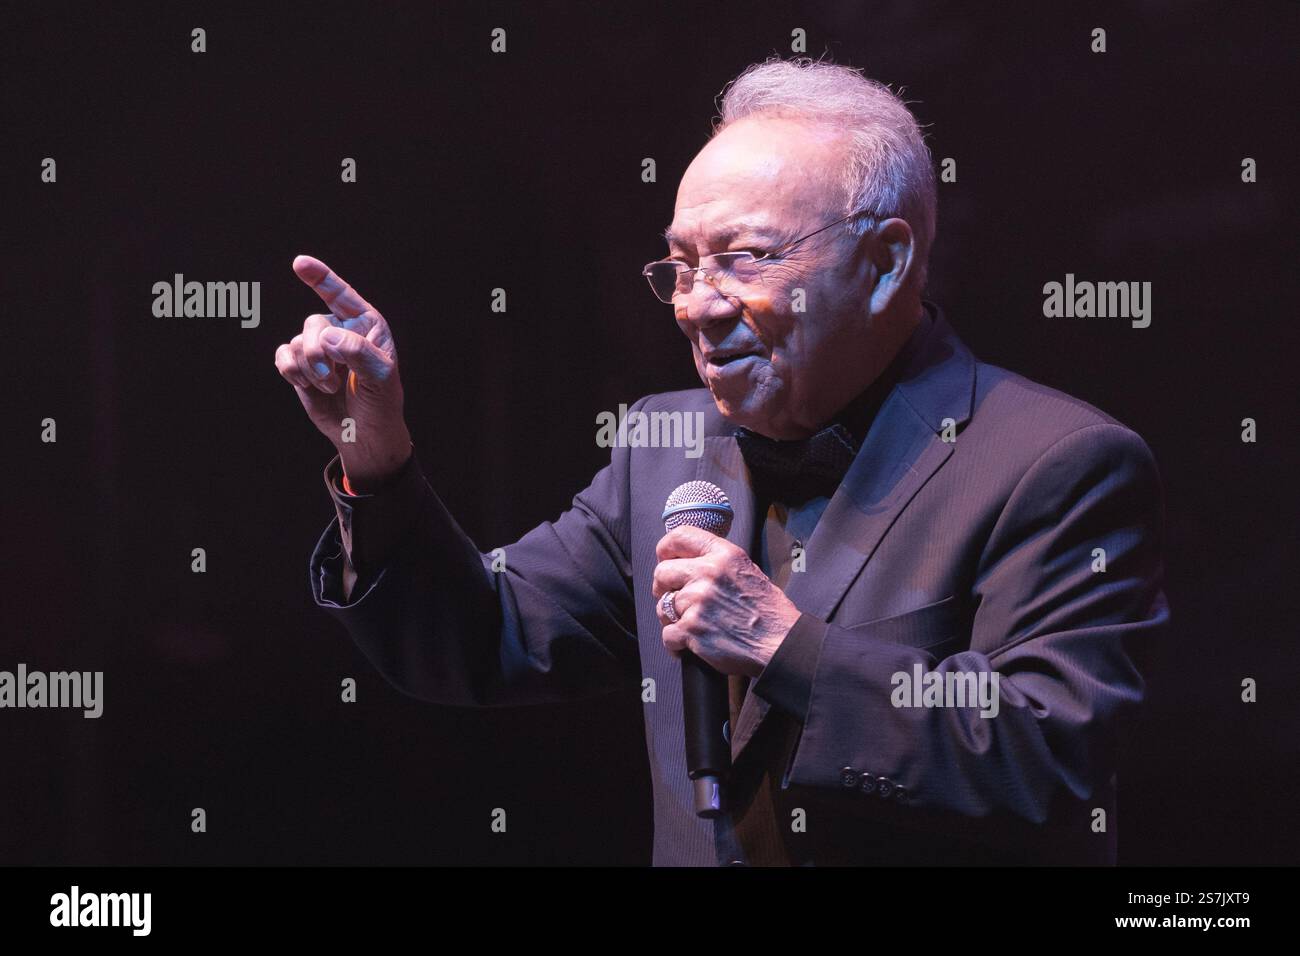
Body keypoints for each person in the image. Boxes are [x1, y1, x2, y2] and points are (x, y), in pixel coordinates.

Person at [274, 58, 1169, 866]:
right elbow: (476, 642)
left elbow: (1052, 758)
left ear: (887, 261)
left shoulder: (1053, 462)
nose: (696, 307)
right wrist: (375, 453)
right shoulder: (664, 451)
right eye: (680, 268)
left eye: (742, 259)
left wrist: (785, 647)